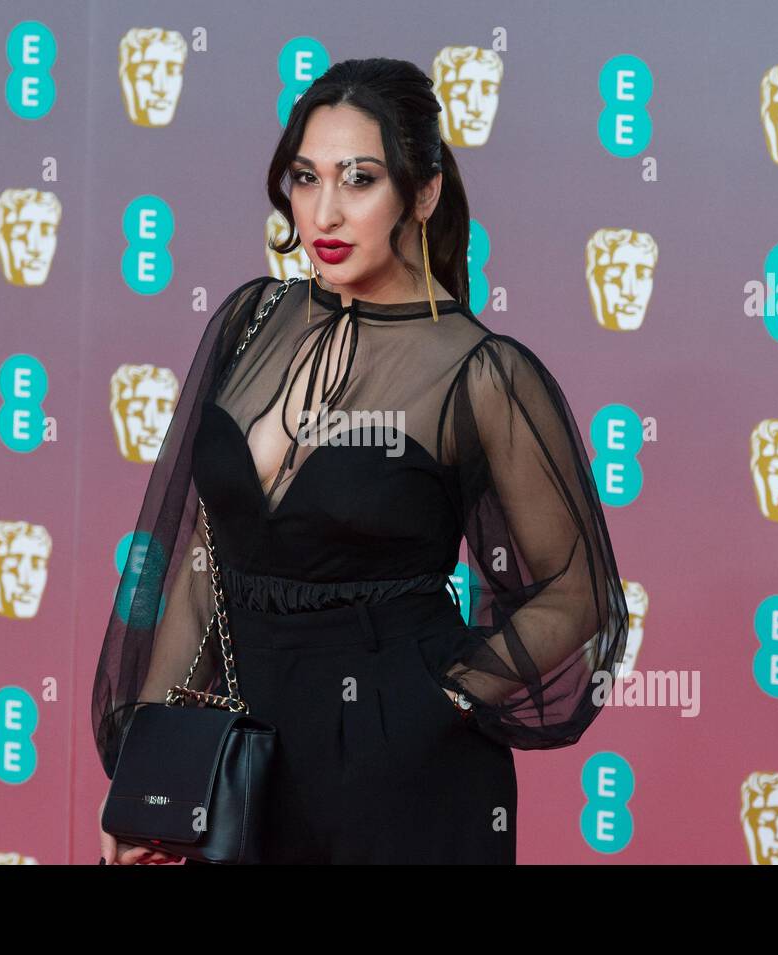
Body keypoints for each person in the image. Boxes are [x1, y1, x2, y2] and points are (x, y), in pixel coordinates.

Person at [94, 57, 628, 865]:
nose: (326, 210)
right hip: (239, 767)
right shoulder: (250, 319)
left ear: (423, 194)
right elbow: (204, 570)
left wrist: (435, 700)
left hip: (401, 780)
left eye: (360, 179)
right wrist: (149, 778)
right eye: (306, 178)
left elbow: (578, 591)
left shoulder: (480, 371)